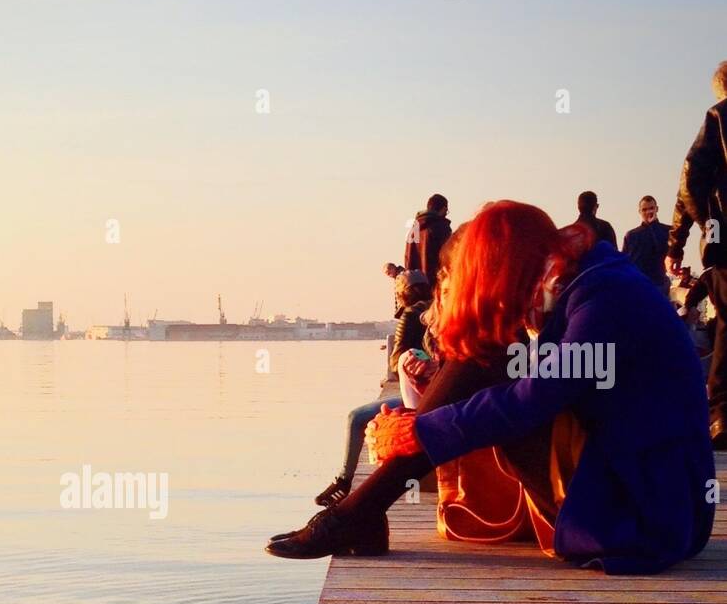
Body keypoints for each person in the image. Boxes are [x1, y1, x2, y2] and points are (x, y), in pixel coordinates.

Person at [266, 201, 713, 575]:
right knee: (486, 355)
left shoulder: (607, 299)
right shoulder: (588, 279)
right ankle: (360, 514)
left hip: (644, 514)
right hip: (635, 483)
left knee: (487, 353)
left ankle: (357, 514)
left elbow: (535, 398)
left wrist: (420, 430)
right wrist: (426, 417)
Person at [309, 269, 431, 509]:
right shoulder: (439, 310)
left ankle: (343, 482)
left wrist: (413, 362)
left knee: (357, 418)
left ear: (402, 294)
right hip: (438, 390)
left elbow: (396, 363)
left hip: (420, 394)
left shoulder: (410, 314)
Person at [666, 60, 727, 446]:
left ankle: (720, 415)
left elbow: (690, 177)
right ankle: (720, 414)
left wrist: (694, 230)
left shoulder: (719, 115)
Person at [622, 195, 671, 293]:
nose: (648, 212)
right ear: (639, 211)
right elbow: (624, 261)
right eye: (644, 209)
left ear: (657, 209)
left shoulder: (668, 231)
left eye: (651, 208)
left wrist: (653, 226)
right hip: (637, 284)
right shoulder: (631, 235)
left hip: (659, 283)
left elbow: (664, 251)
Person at [403, 194, 451, 283]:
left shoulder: (413, 230)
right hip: (436, 284)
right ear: (443, 209)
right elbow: (448, 257)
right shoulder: (441, 227)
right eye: (446, 211)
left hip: (415, 286)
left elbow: (408, 258)